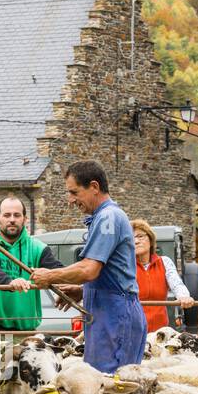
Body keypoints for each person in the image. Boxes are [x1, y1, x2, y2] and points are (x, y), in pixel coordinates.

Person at [29, 160, 146, 374]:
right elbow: (112, 271)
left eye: (74, 192)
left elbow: (89, 269)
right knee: (98, 384)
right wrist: (84, 291)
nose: (70, 201)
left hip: (115, 316)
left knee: (111, 384)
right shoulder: (103, 217)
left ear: (94, 187)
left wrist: (51, 276)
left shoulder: (108, 217)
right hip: (106, 312)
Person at [0, 197, 66, 332]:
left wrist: (70, 288)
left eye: (17, 215)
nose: (12, 219)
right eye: (7, 215)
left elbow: (57, 272)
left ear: (25, 219)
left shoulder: (38, 248)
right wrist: (10, 282)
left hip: (27, 331)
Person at [132, 218, 194, 333]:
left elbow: (177, 284)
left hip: (159, 332)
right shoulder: (125, 265)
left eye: (140, 236)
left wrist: (184, 296)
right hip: (132, 329)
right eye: (131, 238)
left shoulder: (164, 262)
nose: (136, 241)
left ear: (150, 240)